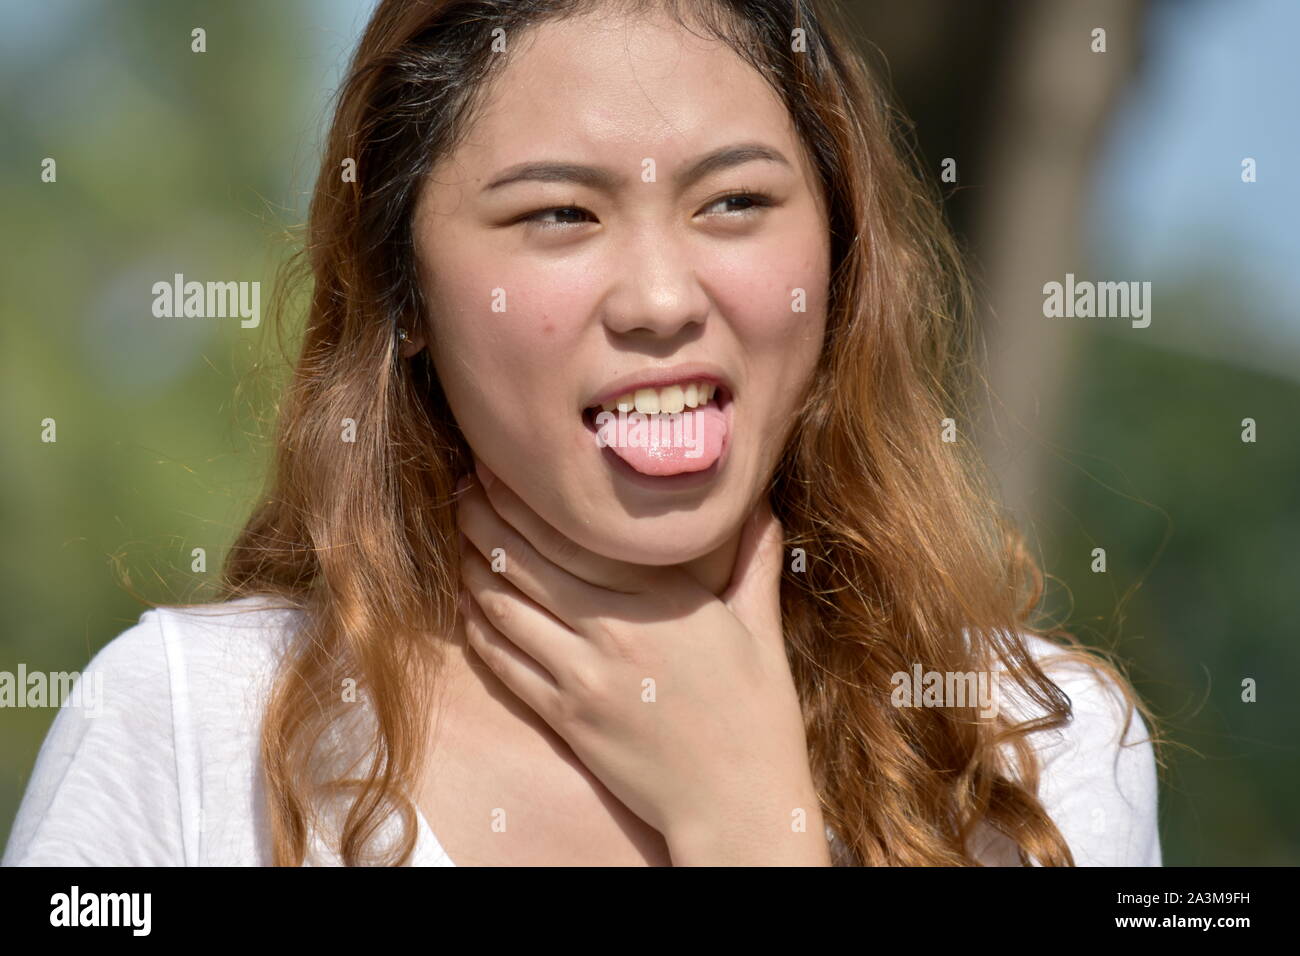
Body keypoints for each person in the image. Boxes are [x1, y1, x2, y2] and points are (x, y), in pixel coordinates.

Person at [3, 0, 1161, 867]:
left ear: (840, 257)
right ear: (403, 293)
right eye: (559, 213)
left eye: (735, 202)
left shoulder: (1030, 751)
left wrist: (752, 821)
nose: (661, 298)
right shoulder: (193, 721)